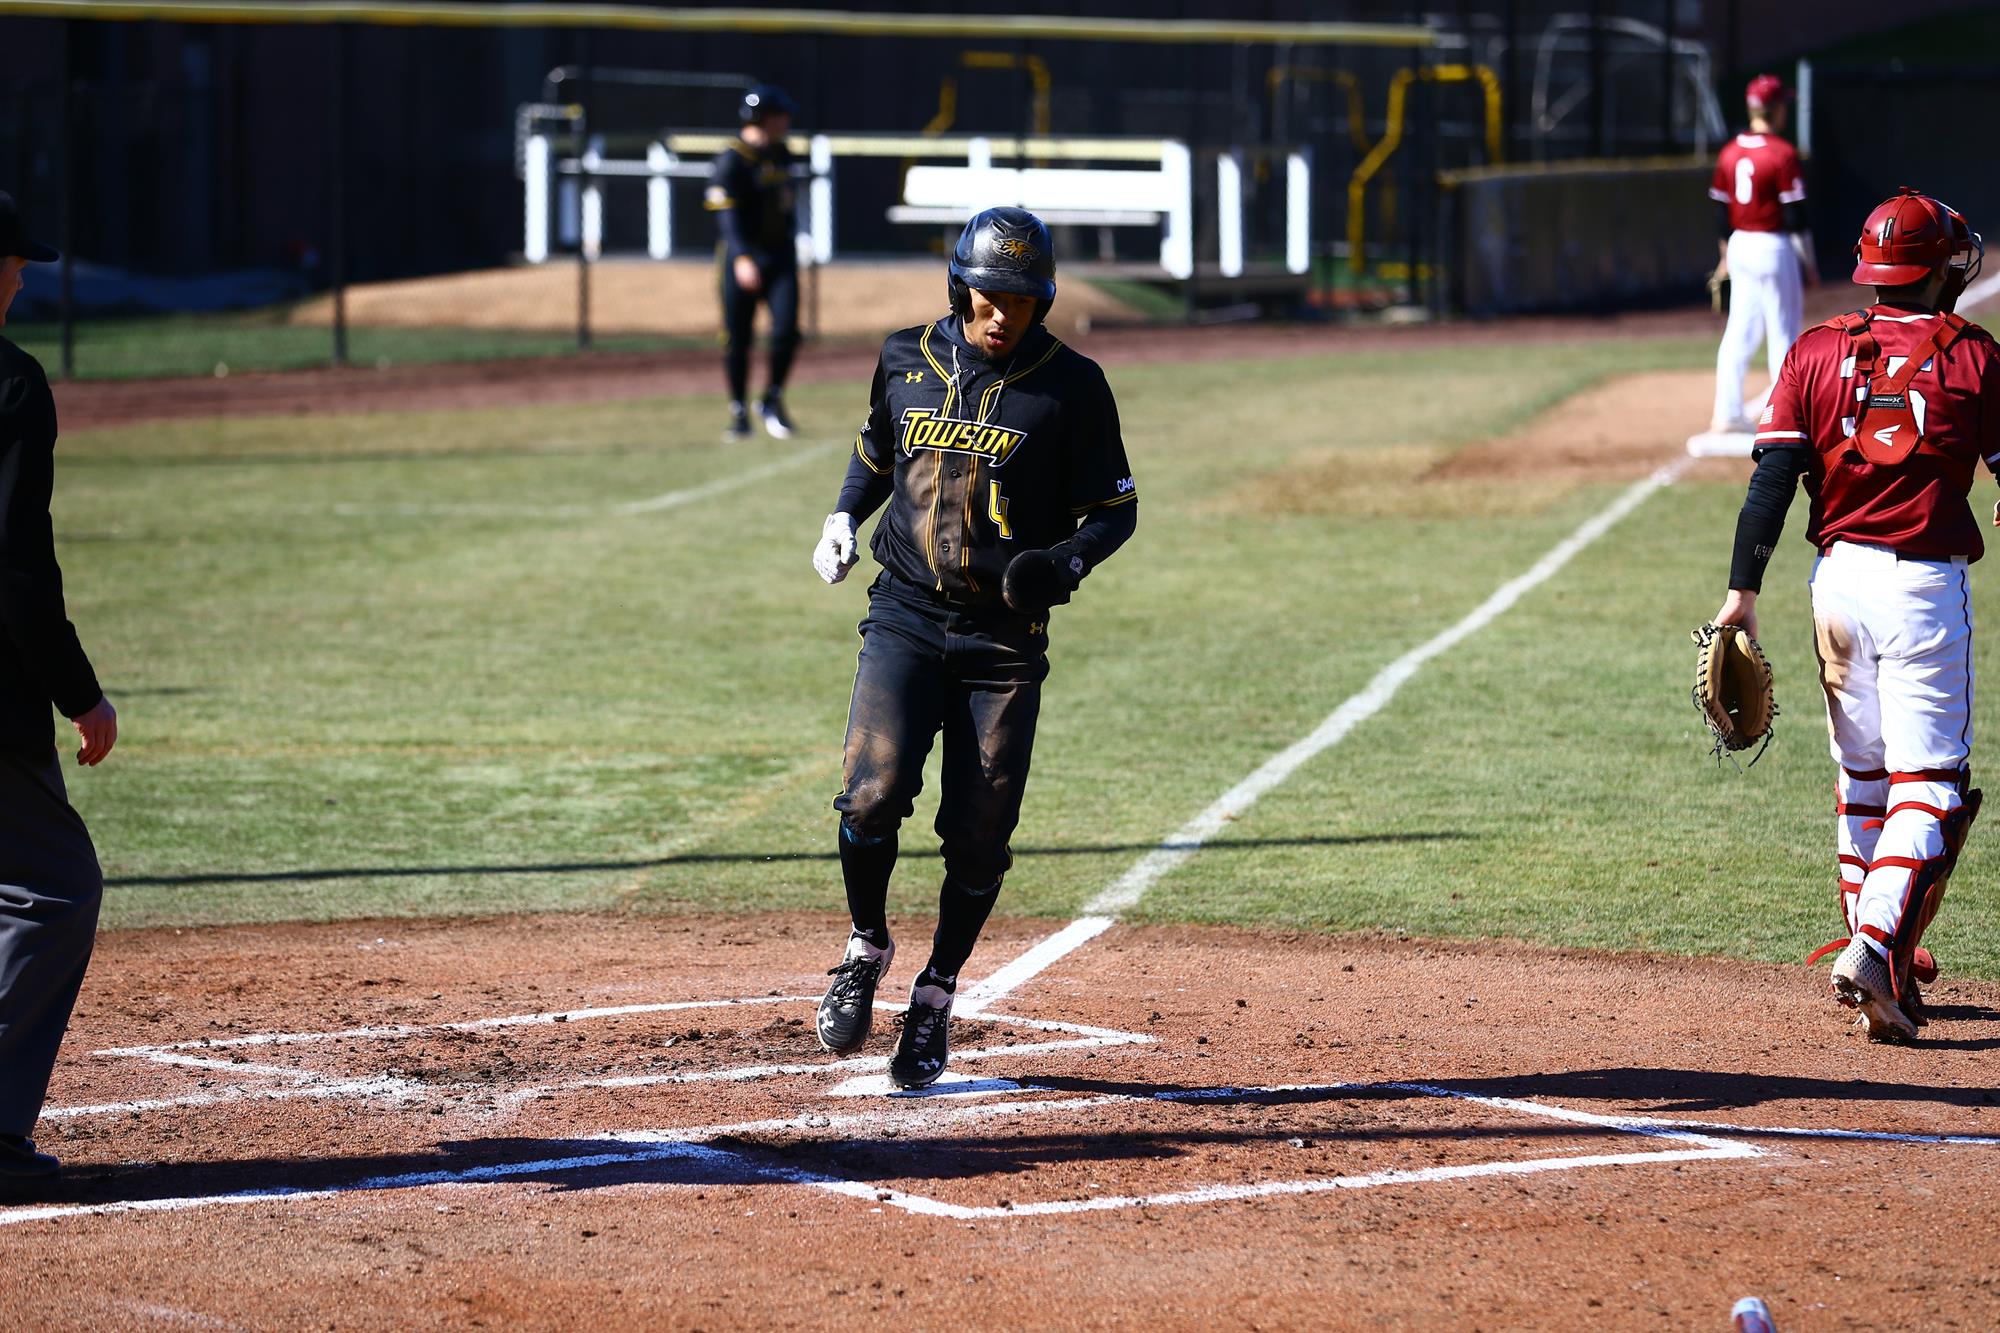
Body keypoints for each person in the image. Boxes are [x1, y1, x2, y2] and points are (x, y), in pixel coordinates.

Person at [807, 207, 1137, 1089]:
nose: (1004, 317)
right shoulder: (903, 355)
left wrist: (1065, 559)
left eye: (1023, 303)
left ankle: (935, 998)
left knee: (982, 833)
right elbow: (878, 449)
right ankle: (865, 945)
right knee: (870, 793)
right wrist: (844, 515)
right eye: (991, 298)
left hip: (1003, 638)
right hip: (906, 615)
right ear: (962, 288)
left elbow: (1114, 510)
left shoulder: (1072, 387)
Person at [1713, 187, 1992, 1042]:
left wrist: (1740, 593)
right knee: (1932, 786)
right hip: (1920, 594)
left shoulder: (1815, 350)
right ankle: (1875, 943)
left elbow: (1769, 485)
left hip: (1833, 588)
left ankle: (1886, 955)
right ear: (1938, 268)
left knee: (1866, 778)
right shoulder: (1975, 358)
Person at [0, 191, 118, 1185]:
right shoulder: (9, 385)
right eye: (10, 260)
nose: (22, 274)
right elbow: (16, 567)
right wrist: (79, 692)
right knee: (52, 892)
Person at [1708, 74, 1817, 434]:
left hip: (1740, 244)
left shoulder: (1730, 151)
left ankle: (1726, 412)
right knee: (1783, 332)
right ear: (1776, 109)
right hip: (1772, 245)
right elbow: (1796, 218)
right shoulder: (1782, 153)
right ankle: (1785, 418)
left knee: (1740, 330)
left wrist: (1725, 254)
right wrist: (1810, 264)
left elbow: (1719, 212)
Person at [706, 84, 802, 443]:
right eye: (781, 114)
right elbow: (725, 216)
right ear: (764, 117)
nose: (787, 121)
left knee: (786, 330)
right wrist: (743, 257)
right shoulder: (732, 159)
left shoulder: (782, 153)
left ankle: (772, 399)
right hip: (741, 257)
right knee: (737, 337)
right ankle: (738, 411)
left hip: (780, 255)